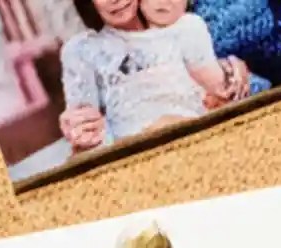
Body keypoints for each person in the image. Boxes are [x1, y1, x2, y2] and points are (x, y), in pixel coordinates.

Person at [57, 0, 250, 153]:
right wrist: (78, 130)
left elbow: (223, 98)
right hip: (136, 157)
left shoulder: (186, 28)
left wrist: (231, 72)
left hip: (200, 142)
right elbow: (85, 137)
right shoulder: (83, 50)